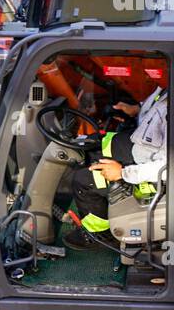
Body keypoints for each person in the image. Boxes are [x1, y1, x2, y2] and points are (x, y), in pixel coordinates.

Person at [65, 86, 167, 249]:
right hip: (141, 147)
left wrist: (122, 173)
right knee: (93, 144)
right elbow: (159, 107)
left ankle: (99, 234)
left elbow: (168, 167)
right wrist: (137, 109)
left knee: (84, 180)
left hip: (148, 169)